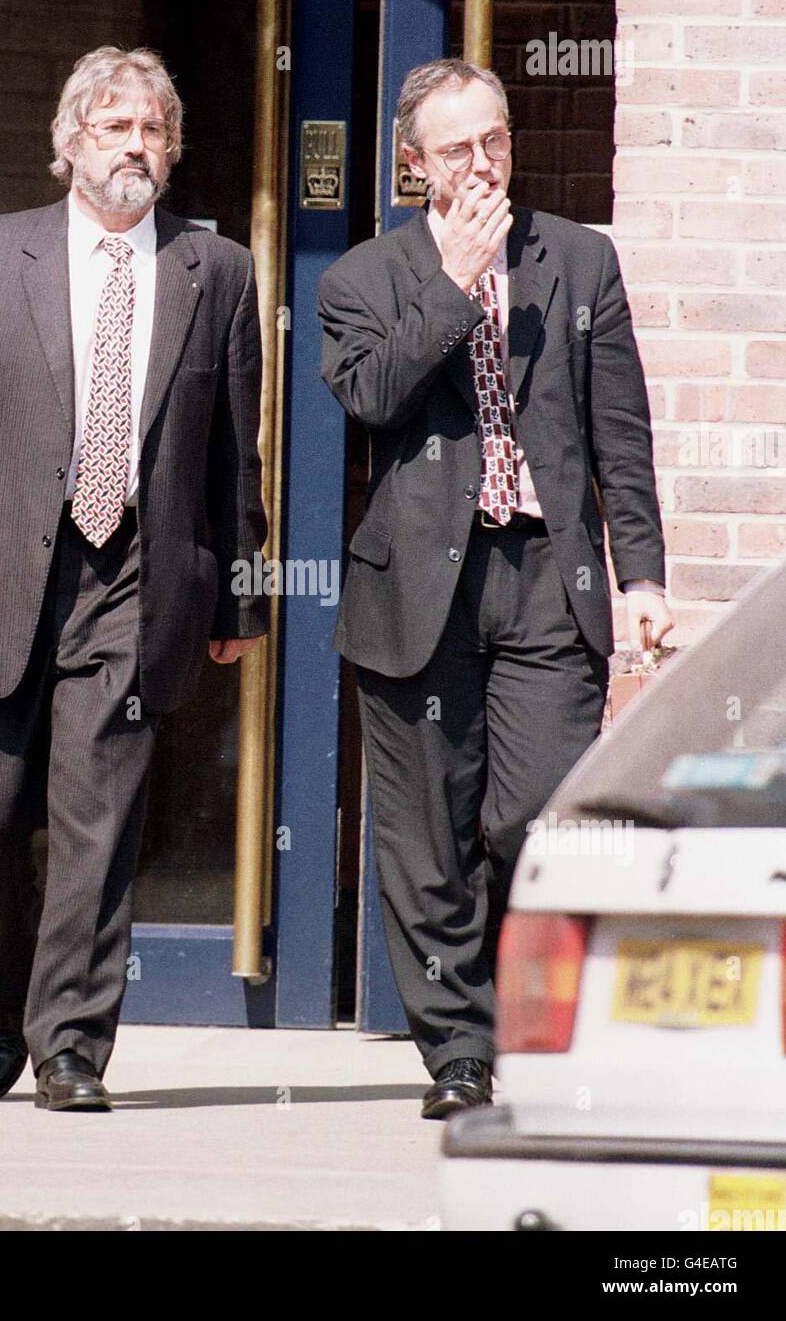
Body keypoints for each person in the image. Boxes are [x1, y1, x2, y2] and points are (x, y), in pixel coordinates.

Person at [0, 46, 269, 1112]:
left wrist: (240, 594)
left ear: (171, 150)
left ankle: (72, 1047)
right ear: (68, 145)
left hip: (135, 581)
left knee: (100, 823)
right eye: (114, 127)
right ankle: (4, 997)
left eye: (153, 130)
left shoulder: (215, 272)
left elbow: (238, 451)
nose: (136, 145)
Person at [318, 57, 673, 1120]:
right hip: (419, 590)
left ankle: (541, 1021)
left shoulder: (576, 261)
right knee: (427, 837)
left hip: (542, 578)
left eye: (497, 139)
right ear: (412, 163)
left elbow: (621, 430)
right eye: (459, 148)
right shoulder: (359, 281)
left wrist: (641, 573)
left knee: (534, 817)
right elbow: (374, 399)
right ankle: (459, 1053)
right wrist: (451, 281)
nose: (483, 163)